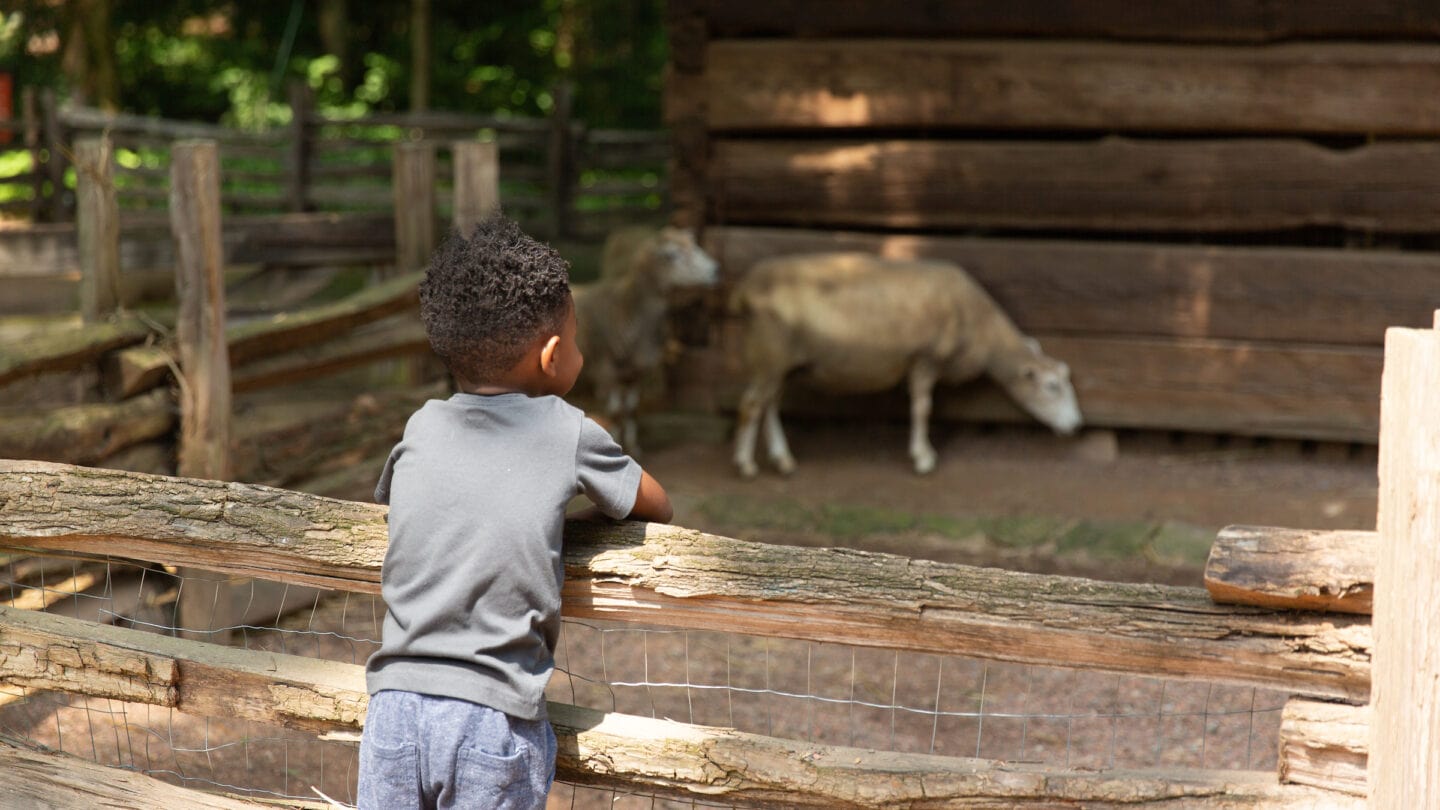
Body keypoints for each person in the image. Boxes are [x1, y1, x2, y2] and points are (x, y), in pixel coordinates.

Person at [357, 212, 673, 809]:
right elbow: (656, 504)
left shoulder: (422, 425)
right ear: (552, 356)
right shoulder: (568, 430)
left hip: (394, 706)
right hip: (492, 715)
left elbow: (409, 504)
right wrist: (562, 522)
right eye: (575, 340)